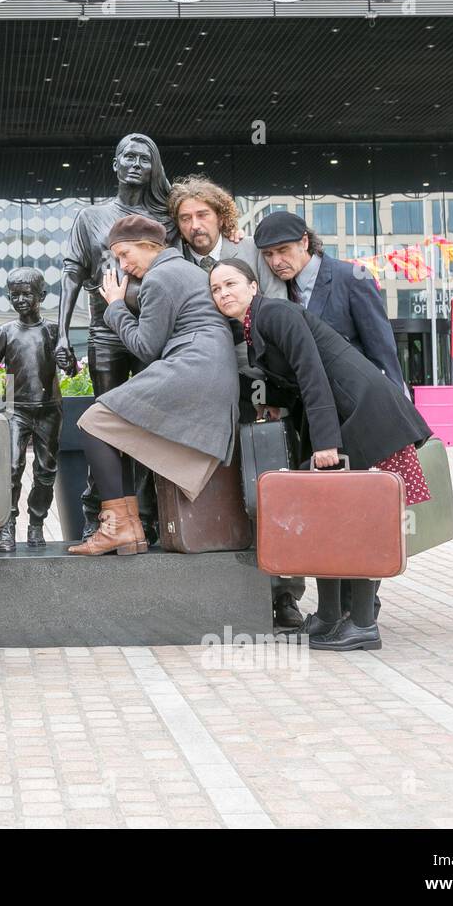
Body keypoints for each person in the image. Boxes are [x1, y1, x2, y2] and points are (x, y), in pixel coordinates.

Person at [209, 258, 432, 652]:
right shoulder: (254, 325)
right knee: (329, 519)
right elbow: (295, 381)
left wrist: (326, 442)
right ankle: (330, 615)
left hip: (366, 417)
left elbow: (311, 371)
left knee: (360, 522)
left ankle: (362, 623)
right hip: (344, 419)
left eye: (231, 284)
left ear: (253, 287)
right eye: (216, 289)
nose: (223, 293)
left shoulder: (275, 313)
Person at [169, 177, 306, 628]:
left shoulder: (248, 253)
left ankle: (284, 592)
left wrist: (275, 394)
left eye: (202, 215)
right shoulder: (178, 263)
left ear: (221, 215)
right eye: (185, 218)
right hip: (206, 389)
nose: (194, 225)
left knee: (270, 485)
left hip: (259, 387)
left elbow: (280, 317)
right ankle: (226, 588)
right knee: (219, 489)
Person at [67, 215, 239, 557]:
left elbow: (146, 346)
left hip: (193, 367)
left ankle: (121, 528)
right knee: (109, 427)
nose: (123, 265)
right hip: (208, 369)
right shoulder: (186, 269)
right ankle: (125, 527)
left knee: (94, 422)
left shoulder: (160, 277)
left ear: (149, 246)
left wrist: (115, 306)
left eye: (125, 254)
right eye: (117, 258)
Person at [56, 134, 175, 544]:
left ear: (153, 167)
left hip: (151, 329)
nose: (136, 163)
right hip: (104, 329)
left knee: (146, 422)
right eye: (128, 156)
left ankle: (145, 513)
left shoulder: (165, 217)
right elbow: (72, 273)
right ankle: (104, 512)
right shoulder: (90, 218)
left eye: (145, 158)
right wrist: (62, 336)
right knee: (104, 422)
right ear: (115, 163)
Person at [254, 211, 404, 392]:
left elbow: (382, 350)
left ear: (304, 242)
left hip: (356, 401)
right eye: (268, 254)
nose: (276, 261)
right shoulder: (277, 288)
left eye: (283, 250)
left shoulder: (353, 277)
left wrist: (394, 403)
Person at [0, 267, 62, 552]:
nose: (21, 300)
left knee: (45, 471)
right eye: (15, 295)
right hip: (16, 410)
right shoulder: (5, 332)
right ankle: (7, 526)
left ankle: (37, 524)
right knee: (11, 468)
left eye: (27, 294)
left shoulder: (53, 330)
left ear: (41, 296)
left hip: (49, 410)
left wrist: (69, 361)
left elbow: (69, 368)